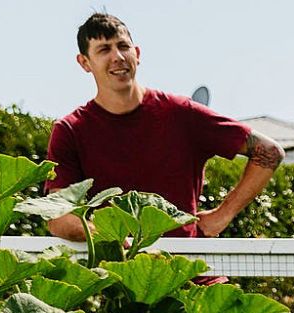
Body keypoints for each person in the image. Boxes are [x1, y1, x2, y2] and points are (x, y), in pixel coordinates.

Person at [41, 12, 281, 242]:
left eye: (123, 46)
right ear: (84, 62)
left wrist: (223, 214)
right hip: (118, 273)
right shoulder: (70, 130)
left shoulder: (182, 113)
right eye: (104, 50)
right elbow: (59, 218)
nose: (117, 57)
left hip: (189, 270)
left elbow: (268, 151)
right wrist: (110, 238)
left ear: (137, 53)